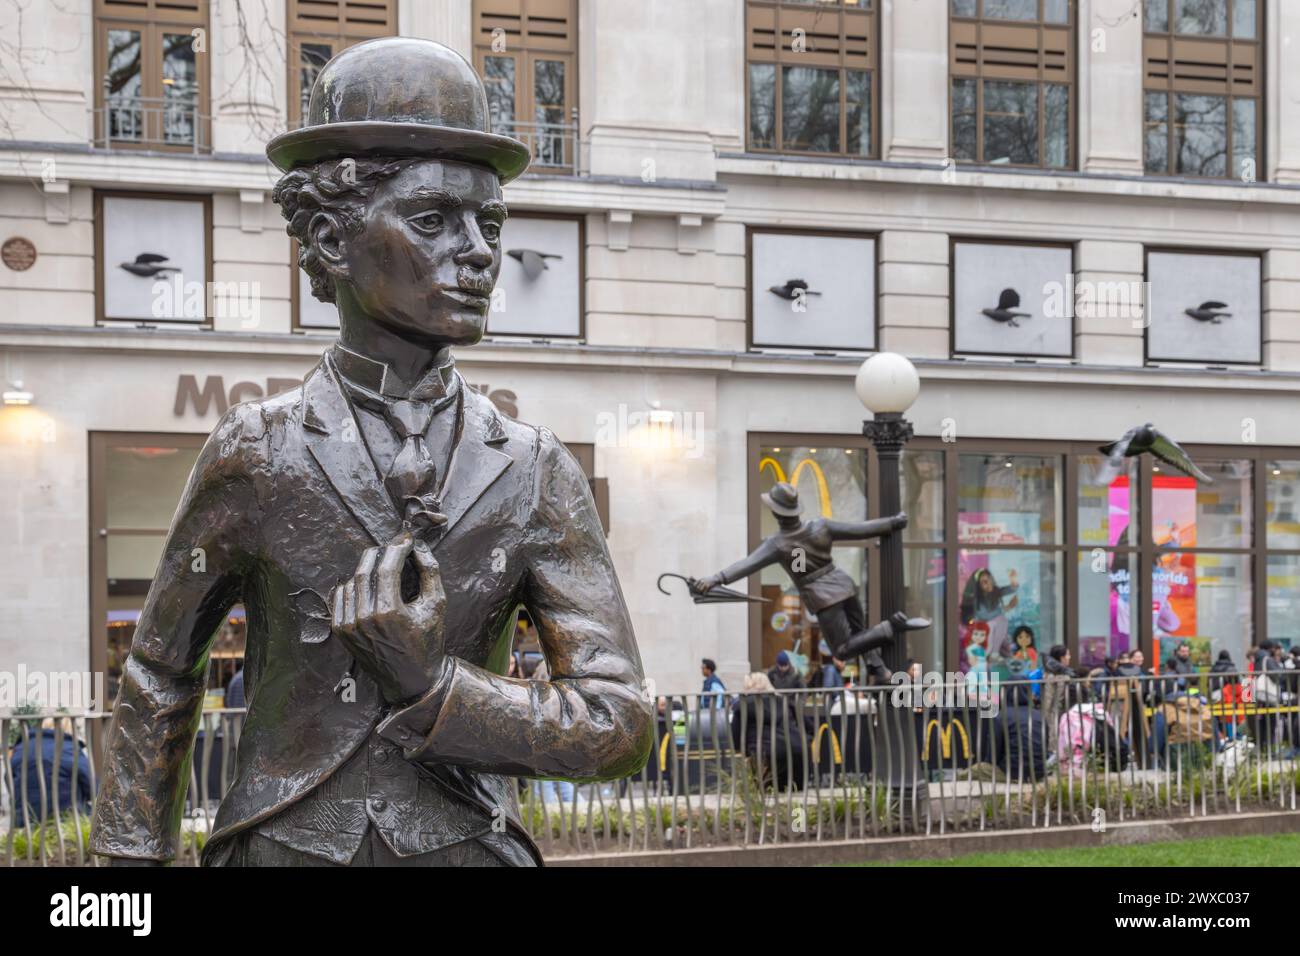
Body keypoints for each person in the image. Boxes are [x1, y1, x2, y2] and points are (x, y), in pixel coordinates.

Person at [90, 38, 652, 869]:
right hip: (282, 848)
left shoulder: (535, 469)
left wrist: (435, 687)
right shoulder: (256, 450)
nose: (479, 251)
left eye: (489, 223)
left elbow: (619, 725)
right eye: (433, 220)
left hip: (467, 850)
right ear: (330, 238)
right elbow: (160, 672)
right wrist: (125, 875)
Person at [691, 482, 926, 682]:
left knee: (842, 651)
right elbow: (859, 530)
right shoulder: (820, 526)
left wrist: (715, 579)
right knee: (860, 633)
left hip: (823, 598)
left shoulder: (777, 543)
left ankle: (889, 627)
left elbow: (747, 564)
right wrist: (892, 522)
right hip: (844, 584)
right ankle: (880, 670)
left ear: (775, 513)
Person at [9, 719, 95, 828]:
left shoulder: (21, 748)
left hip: (25, 820)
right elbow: (92, 786)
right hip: (66, 821)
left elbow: (9, 779)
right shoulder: (69, 748)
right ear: (69, 729)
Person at [730, 672, 809, 790]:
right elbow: (805, 726)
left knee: (763, 792)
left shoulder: (742, 707)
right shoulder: (784, 702)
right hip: (796, 754)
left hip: (764, 757)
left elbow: (736, 739)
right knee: (793, 793)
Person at [1039, 644, 1073, 754]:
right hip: (1055, 717)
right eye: (1068, 654)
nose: (1070, 657)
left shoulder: (1061, 673)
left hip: (1060, 715)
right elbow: (1048, 703)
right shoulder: (1053, 676)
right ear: (1061, 658)